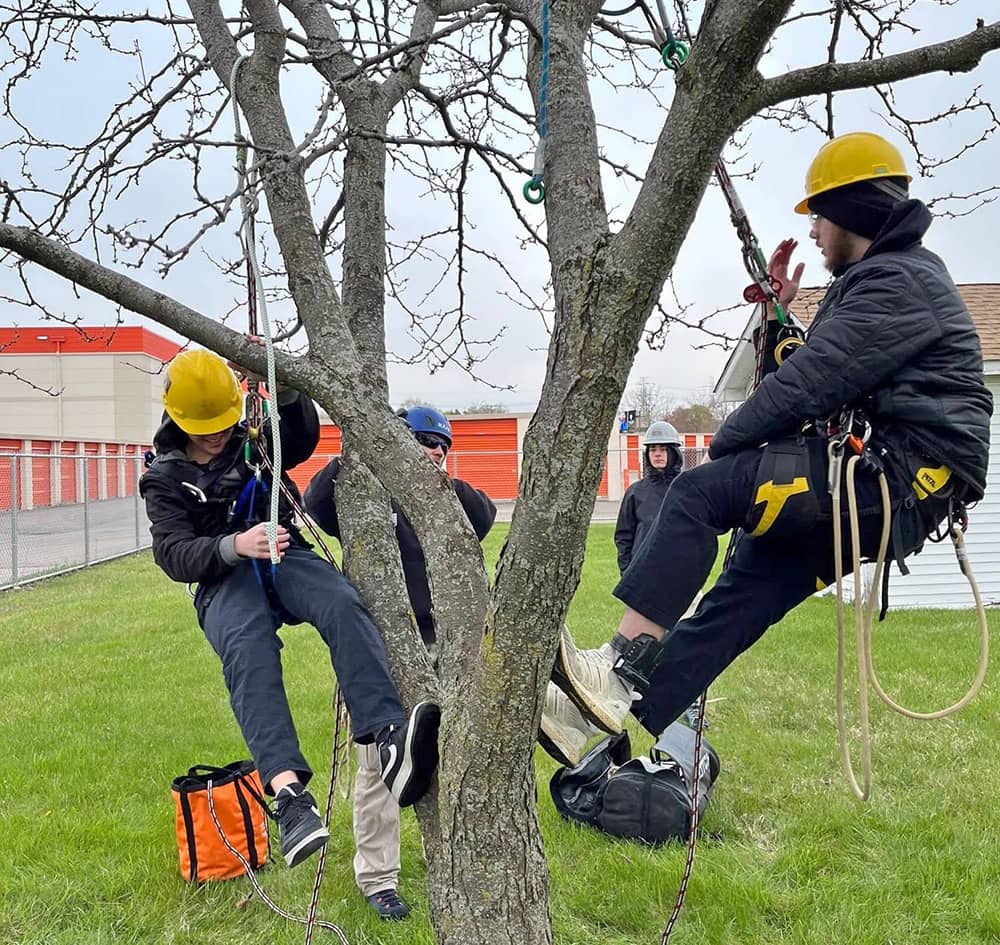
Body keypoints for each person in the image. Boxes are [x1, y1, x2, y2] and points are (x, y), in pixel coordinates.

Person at [550, 131, 993, 749]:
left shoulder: (899, 282)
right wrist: (777, 314)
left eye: (818, 216)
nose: (812, 232)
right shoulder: (885, 282)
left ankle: (618, 665)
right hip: (896, 490)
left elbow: (809, 387)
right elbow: (821, 368)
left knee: (701, 492)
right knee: (743, 594)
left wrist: (726, 448)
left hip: (898, 480)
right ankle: (598, 719)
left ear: (852, 208)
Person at [139, 349, 440, 872]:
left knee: (343, 604)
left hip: (282, 553)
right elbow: (172, 553)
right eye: (204, 427)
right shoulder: (164, 478)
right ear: (178, 421)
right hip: (222, 578)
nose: (216, 435)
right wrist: (234, 545)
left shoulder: (252, 441)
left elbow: (300, 439)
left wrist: (282, 385)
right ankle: (289, 796)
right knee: (248, 649)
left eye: (223, 424)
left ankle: (388, 733)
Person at [304, 405, 496, 920]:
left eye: (440, 446)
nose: (432, 452)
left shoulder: (447, 504)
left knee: (450, 757)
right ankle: (378, 878)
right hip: (376, 651)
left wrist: (435, 482)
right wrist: (362, 449)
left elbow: (487, 514)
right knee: (375, 768)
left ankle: (455, 857)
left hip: (438, 647)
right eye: (421, 443)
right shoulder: (366, 501)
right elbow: (315, 501)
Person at [614, 421, 684, 575]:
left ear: (673, 453)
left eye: (663, 449)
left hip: (679, 572)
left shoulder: (686, 489)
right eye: (653, 449)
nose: (657, 454)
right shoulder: (635, 492)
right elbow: (623, 535)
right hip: (643, 572)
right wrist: (626, 570)